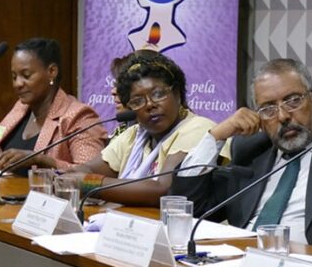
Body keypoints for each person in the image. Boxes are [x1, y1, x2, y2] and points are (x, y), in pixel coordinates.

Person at [170, 58, 312, 254]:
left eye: (293, 101)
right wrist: (216, 137)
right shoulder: (251, 150)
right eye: (268, 108)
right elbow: (192, 207)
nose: (282, 116)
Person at [71, 51, 215, 206]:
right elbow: (84, 170)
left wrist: (91, 185)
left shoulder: (199, 128)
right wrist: (78, 178)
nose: (150, 105)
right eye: (137, 101)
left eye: (158, 94)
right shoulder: (134, 134)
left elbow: (163, 190)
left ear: (177, 94)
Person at [0, 38, 106, 173]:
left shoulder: (78, 116)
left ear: (52, 71)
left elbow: (91, 175)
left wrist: (42, 161)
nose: (18, 84)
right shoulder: (20, 108)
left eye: (26, 75)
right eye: (14, 76)